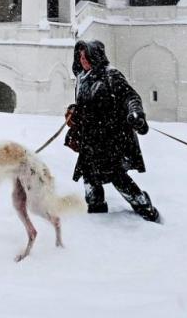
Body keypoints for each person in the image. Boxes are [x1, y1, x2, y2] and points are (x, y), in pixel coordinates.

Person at [65, 39, 161, 222]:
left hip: (111, 138)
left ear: (95, 56)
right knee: (90, 177)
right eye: (80, 57)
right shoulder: (83, 77)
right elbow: (86, 103)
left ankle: (145, 208)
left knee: (117, 177)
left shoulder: (111, 76)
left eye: (86, 57)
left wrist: (135, 113)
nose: (82, 60)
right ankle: (96, 211)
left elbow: (130, 97)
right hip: (90, 139)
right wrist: (75, 111)